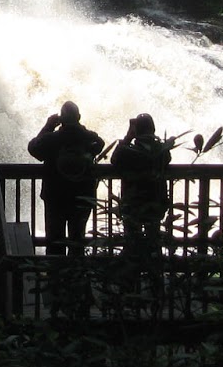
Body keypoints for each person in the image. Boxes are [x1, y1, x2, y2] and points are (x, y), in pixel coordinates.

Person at [26, 101, 105, 257]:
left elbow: (33, 148)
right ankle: (77, 277)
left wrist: (48, 126)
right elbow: (99, 145)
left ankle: (56, 277)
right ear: (79, 117)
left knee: (55, 240)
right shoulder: (90, 139)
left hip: (56, 197)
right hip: (83, 196)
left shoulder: (52, 139)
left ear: (61, 119)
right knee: (77, 240)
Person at [111, 112, 172, 259]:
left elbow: (115, 159)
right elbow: (166, 156)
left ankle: (132, 278)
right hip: (155, 202)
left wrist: (128, 137)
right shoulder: (161, 152)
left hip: (133, 203)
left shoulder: (129, 152)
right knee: (154, 240)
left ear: (136, 131)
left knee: (132, 243)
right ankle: (155, 275)